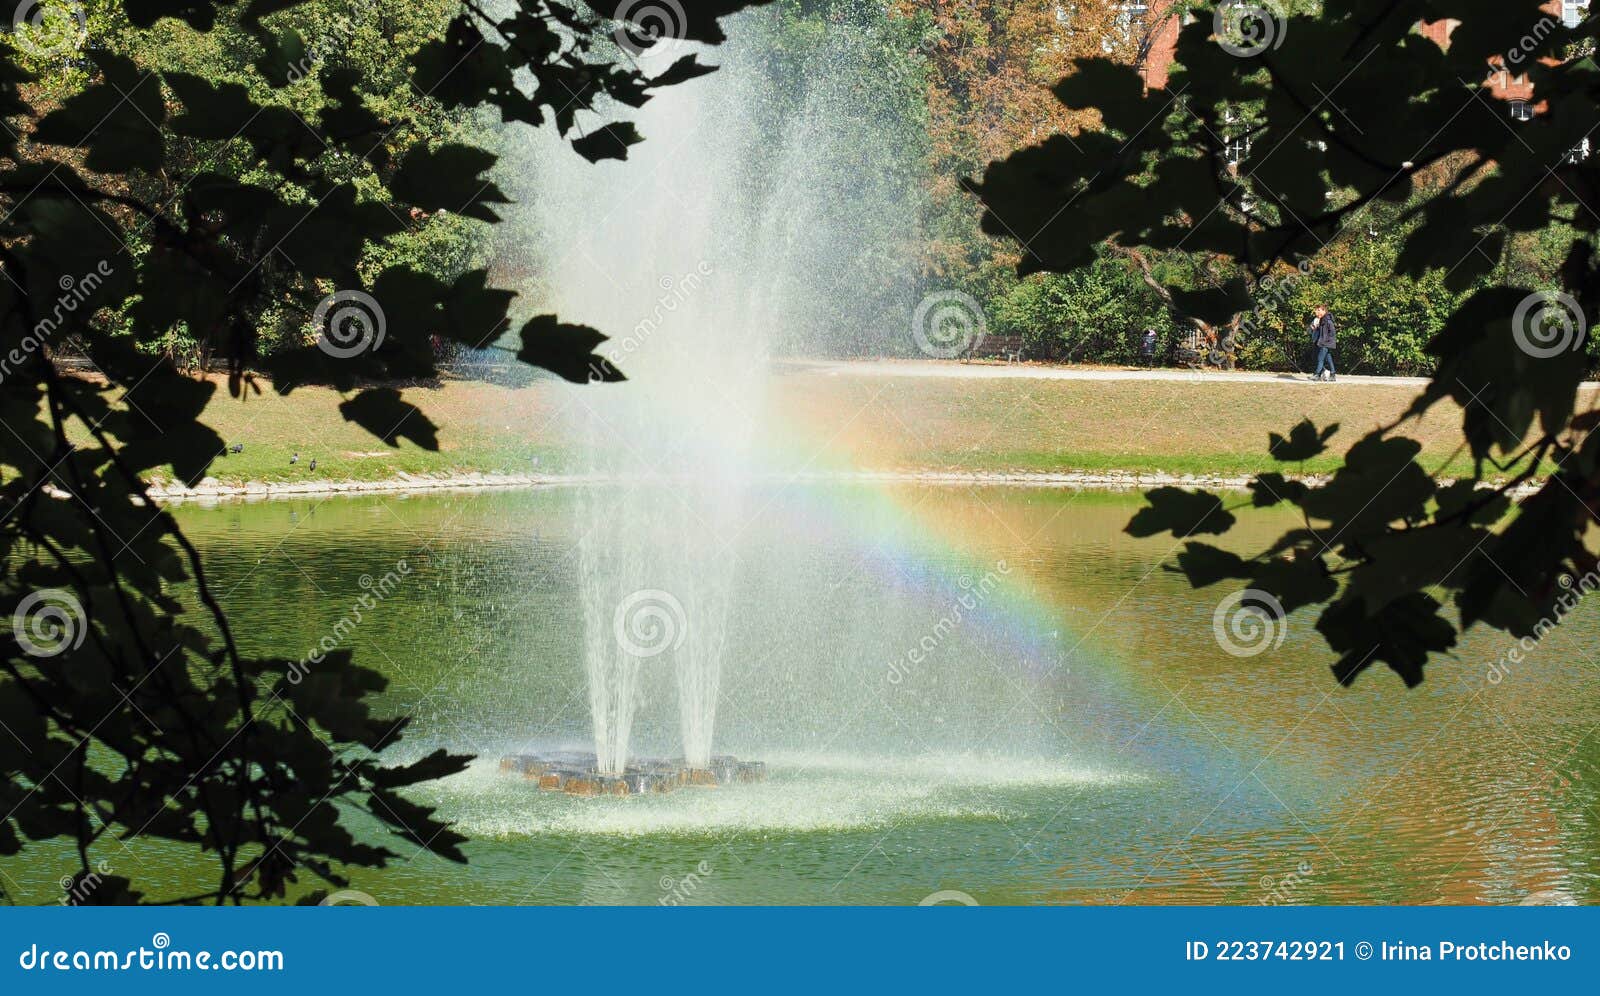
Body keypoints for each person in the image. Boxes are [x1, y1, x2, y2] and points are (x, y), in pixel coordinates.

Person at [1309, 305, 1337, 382]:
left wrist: (1324, 342)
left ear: (1324, 311)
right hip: (1324, 342)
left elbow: (1331, 333)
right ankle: (1333, 374)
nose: (1317, 312)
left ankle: (1317, 375)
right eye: (1316, 310)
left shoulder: (1327, 320)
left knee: (1320, 359)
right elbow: (1322, 332)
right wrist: (1315, 328)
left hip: (1325, 343)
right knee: (1329, 359)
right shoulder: (1323, 319)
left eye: (1319, 310)